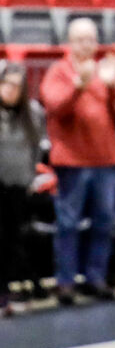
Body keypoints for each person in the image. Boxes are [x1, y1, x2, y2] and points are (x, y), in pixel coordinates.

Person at [40, 19, 115, 303]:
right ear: (69, 42)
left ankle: (95, 277)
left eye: (91, 39)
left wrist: (112, 87)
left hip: (105, 160)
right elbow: (54, 106)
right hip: (73, 162)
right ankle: (65, 282)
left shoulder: (105, 74)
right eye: (80, 39)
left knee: (104, 222)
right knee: (68, 224)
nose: (87, 45)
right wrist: (79, 84)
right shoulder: (58, 71)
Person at [0, 65, 44, 315]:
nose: (10, 90)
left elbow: (36, 148)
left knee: (12, 238)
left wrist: (30, 176)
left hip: (18, 183)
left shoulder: (33, 114)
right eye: (6, 83)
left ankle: (7, 287)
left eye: (17, 85)